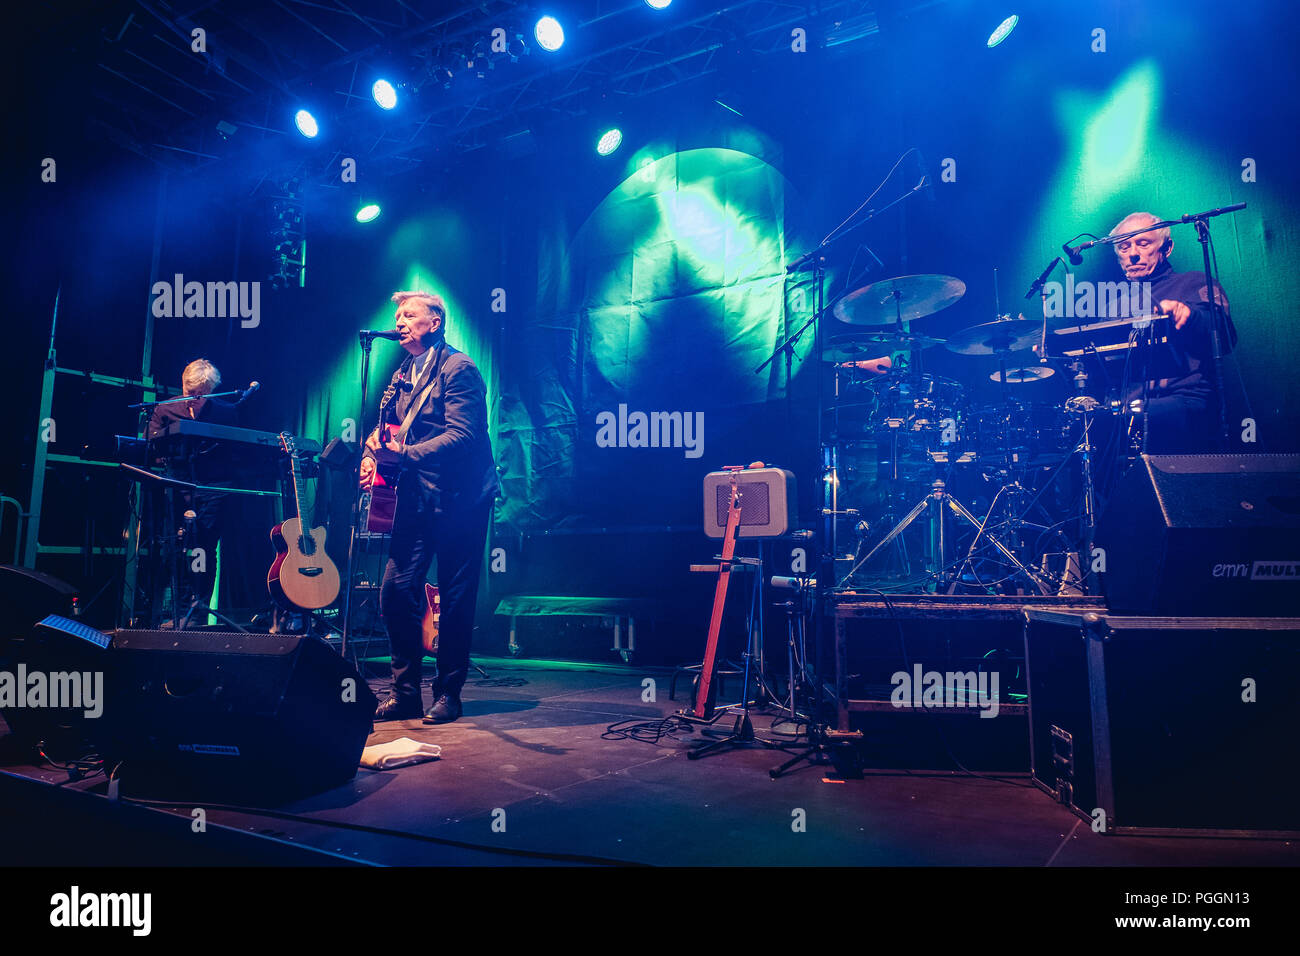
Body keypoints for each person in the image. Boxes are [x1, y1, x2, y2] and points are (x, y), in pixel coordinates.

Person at [361, 291, 498, 723]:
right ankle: (405, 693)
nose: (399, 321)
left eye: (409, 315)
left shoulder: (459, 368)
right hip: (417, 498)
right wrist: (372, 453)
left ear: (434, 323)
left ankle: (449, 694)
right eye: (397, 316)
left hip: (462, 499)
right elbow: (388, 430)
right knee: (396, 591)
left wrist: (405, 454)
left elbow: (466, 435)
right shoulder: (404, 372)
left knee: (455, 598)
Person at [1108, 211, 1237, 453]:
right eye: (1124, 247)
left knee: (1125, 418)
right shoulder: (1114, 306)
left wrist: (1189, 315)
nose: (1133, 253)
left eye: (1143, 243)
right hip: (1127, 403)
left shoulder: (1193, 282)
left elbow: (1225, 335)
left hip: (1183, 399)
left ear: (1166, 248)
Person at [146, 358, 238, 617]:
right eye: (190, 393)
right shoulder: (165, 410)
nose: (194, 399)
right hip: (177, 485)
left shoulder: (226, 412)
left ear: (210, 391)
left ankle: (200, 611)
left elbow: (236, 453)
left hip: (214, 487)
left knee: (206, 545)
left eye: (201, 395)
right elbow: (151, 447)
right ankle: (177, 611)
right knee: (176, 546)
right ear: (182, 385)